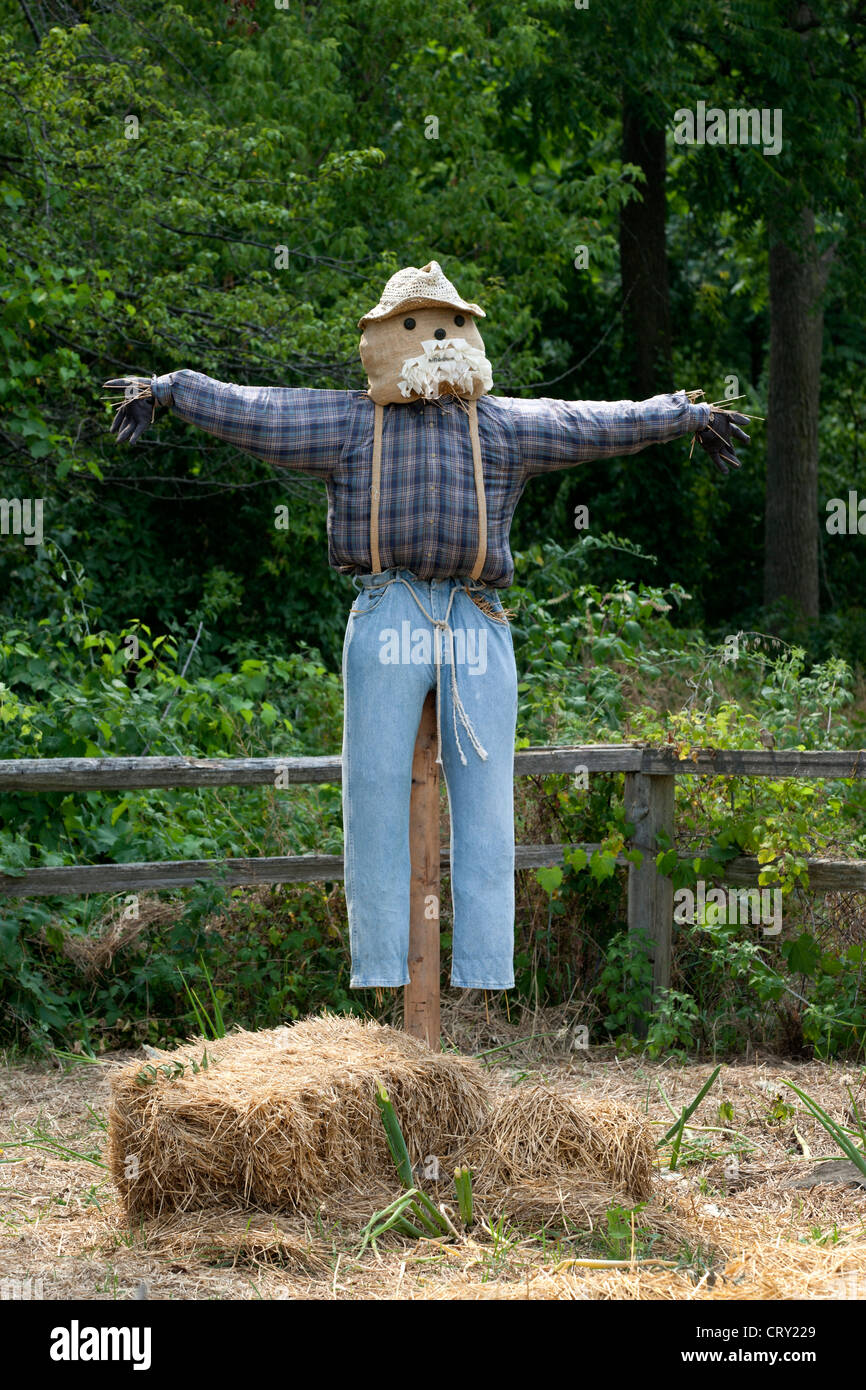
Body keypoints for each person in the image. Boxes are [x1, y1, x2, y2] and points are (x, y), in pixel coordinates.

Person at [104, 260, 748, 991]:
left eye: (446, 323)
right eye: (417, 324)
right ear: (386, 334)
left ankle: (483, 966)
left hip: (476, 618)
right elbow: (260, 408)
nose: (435, 337)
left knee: (488, 796)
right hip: (388, 608)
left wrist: (685, 413)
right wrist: (168, 392)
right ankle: (380, 961)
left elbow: (591, 420)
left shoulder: (501, 427)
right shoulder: (350, 421)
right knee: (373, 784)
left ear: (466, 333)